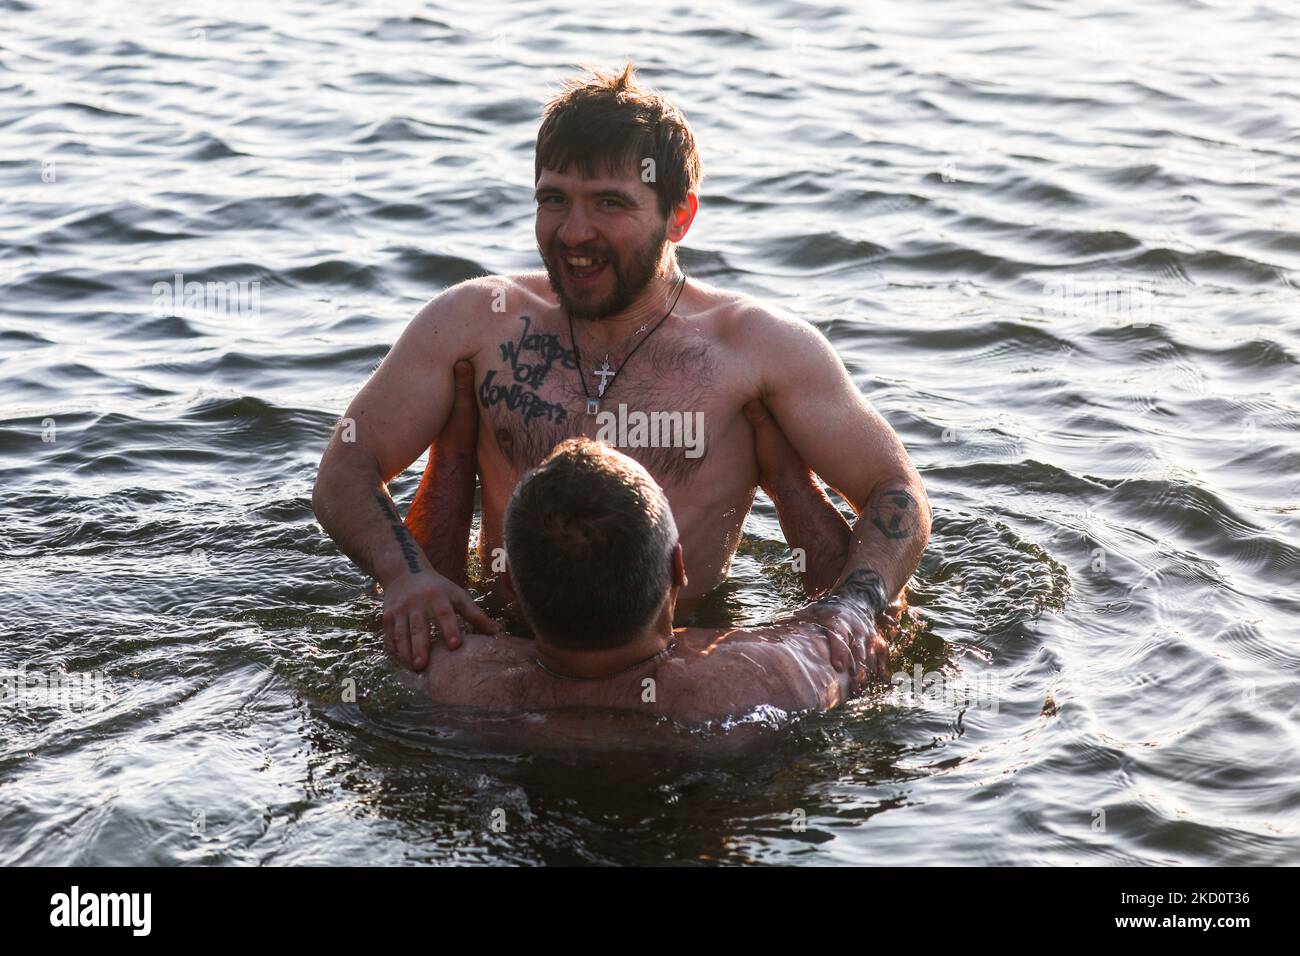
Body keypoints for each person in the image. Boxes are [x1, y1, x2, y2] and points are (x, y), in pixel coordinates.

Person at [312, 63, 930, 674]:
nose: (574, 232)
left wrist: (855, 605)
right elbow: (345, 468)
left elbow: (896, 489)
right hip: (504, 642)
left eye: (610, 203)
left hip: (684, 660)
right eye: (554, 199)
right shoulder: (475, 323)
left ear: (680, 216)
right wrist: (406, 577)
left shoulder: (757, 349)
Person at [410, 430, 892, 722]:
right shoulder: (778, 678)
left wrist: (451, 457)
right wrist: (789, 481)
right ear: (678, 568)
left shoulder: (448, 677)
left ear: (511, 584)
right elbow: (869, 630)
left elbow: (421, 612)